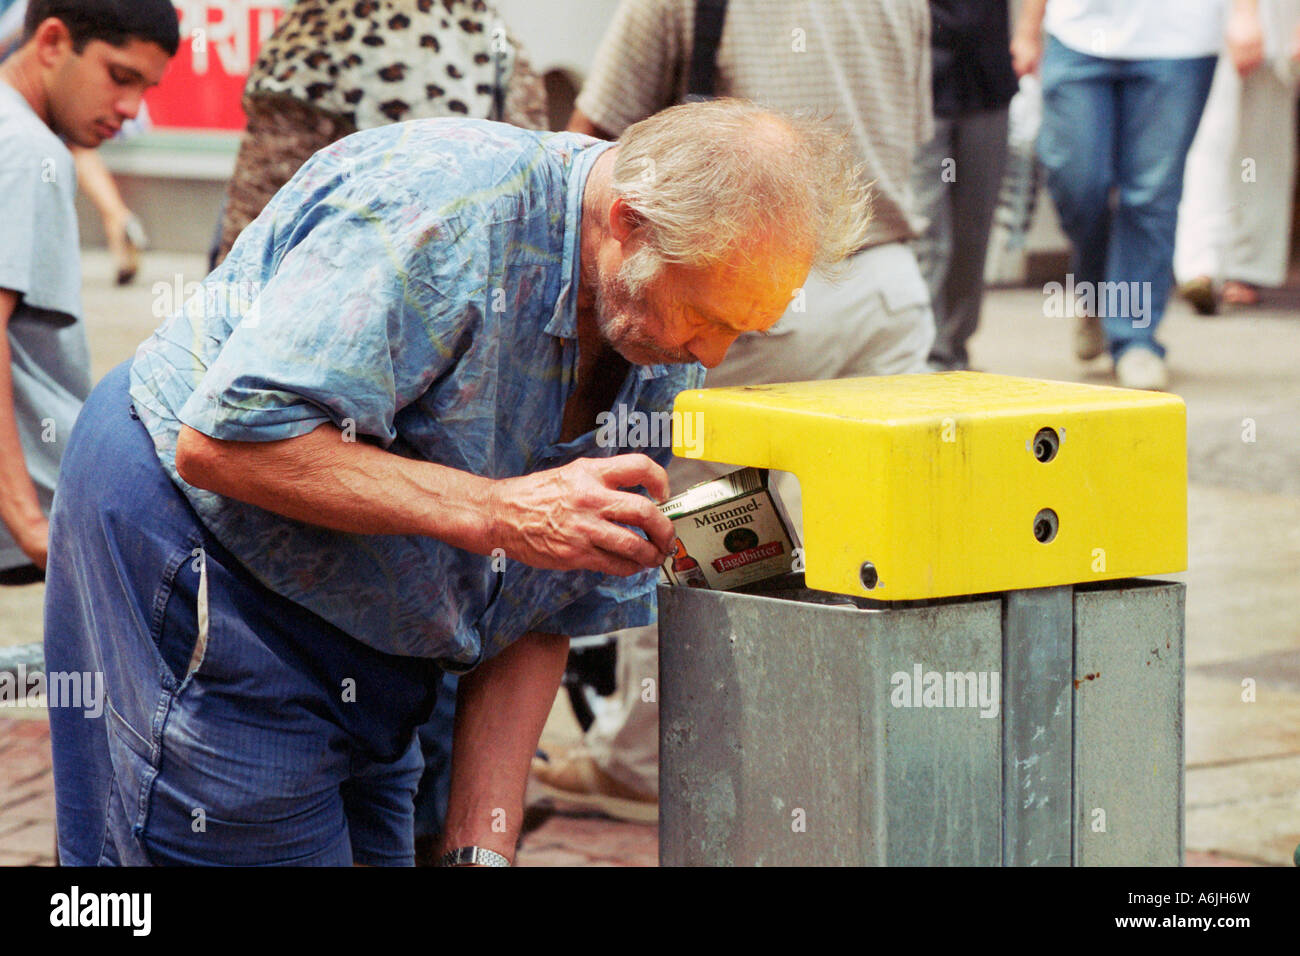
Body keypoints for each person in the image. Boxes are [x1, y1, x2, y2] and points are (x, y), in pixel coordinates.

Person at [44, 99, 871, 866]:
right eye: (711, 318)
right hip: (204, 539)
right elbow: (223, 444)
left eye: (740, 329)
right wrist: (500, 512)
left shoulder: (656, 319)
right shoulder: (447, 210)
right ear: (629, 223)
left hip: (375, 621)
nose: (715, 355)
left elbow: (545, 605)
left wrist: (483, 849)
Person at [532, 0, 934, 823]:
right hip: (891, 282)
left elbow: (587, 150)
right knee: (846, 543)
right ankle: (833, 755)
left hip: (758, 285)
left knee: (690, 523)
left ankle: (643, 759)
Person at [0, 1, 176, 585]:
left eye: (146, 88)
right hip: (31, 518)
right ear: (52, 42)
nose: (130, 109)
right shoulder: (29, 154)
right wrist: (28, 522)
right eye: (120, 76)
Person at [213, 0, 548, 267]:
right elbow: (530, 198)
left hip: (360, 290)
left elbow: (254, 234)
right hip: (445, 285)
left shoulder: (313, 39)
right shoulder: (493, 36)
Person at [1012, 0, 1224, 390]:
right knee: (1077, 181)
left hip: (1180, 38)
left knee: (1150, 194)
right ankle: (1097, 293)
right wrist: (1028, 27)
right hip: (1076, 32)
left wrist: (1245, 13)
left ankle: (1134, 338)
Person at [912, 0, 1019, 372]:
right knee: (925, 228)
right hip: (919, 78)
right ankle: (927, 352)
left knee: (973, 227)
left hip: (987, 76)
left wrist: (1029, 35)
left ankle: (954, 347)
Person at [1175, 0, 1300, 315]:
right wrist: (1245, 14)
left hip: (1281, 16)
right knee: (1210, 136)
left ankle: (1243, 265)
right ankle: (1200, 263)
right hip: (1220, 17)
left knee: (1260, 148)